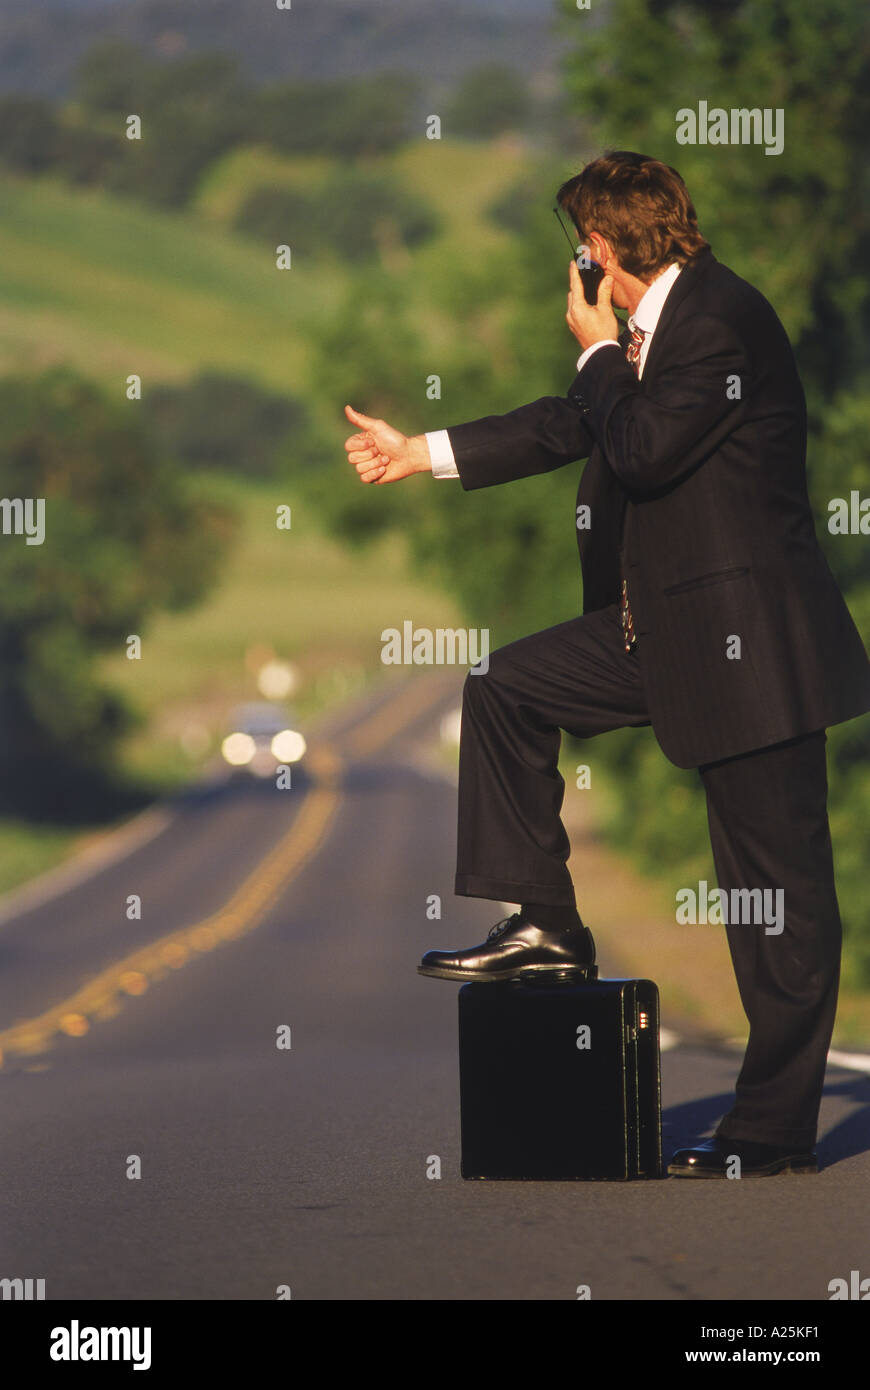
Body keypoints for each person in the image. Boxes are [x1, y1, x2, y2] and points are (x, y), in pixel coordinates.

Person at [343, 151, 870, 1178]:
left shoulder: (719, 321)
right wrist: (422, 452)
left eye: (576, 243)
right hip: (658, 630)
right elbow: (571, 422)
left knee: (775, 896)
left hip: (751, 649)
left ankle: (772, 1131)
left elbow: (639, 449)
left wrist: (594, 353)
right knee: (505, 688)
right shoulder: (650, 333)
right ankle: (545, 921)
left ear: (597, 247)